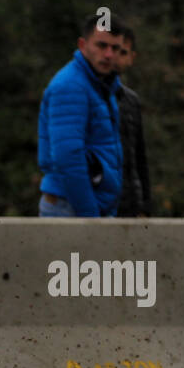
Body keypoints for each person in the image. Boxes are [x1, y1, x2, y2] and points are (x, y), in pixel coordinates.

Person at [37, 14, 124, 217]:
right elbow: (68, 158)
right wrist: (90, 216)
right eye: (102, 46)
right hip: (71, 207)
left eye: (115, 48)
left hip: (89, 204)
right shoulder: (72, 86)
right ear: (83, 45)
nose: (109, 54)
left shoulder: (102, 85)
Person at [114, 25, 152, 217]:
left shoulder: (131, 101)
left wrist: (144, 204)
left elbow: (139, 157)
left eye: (122, 52)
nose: (115, 58)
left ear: (131, 57)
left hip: (130, 202)